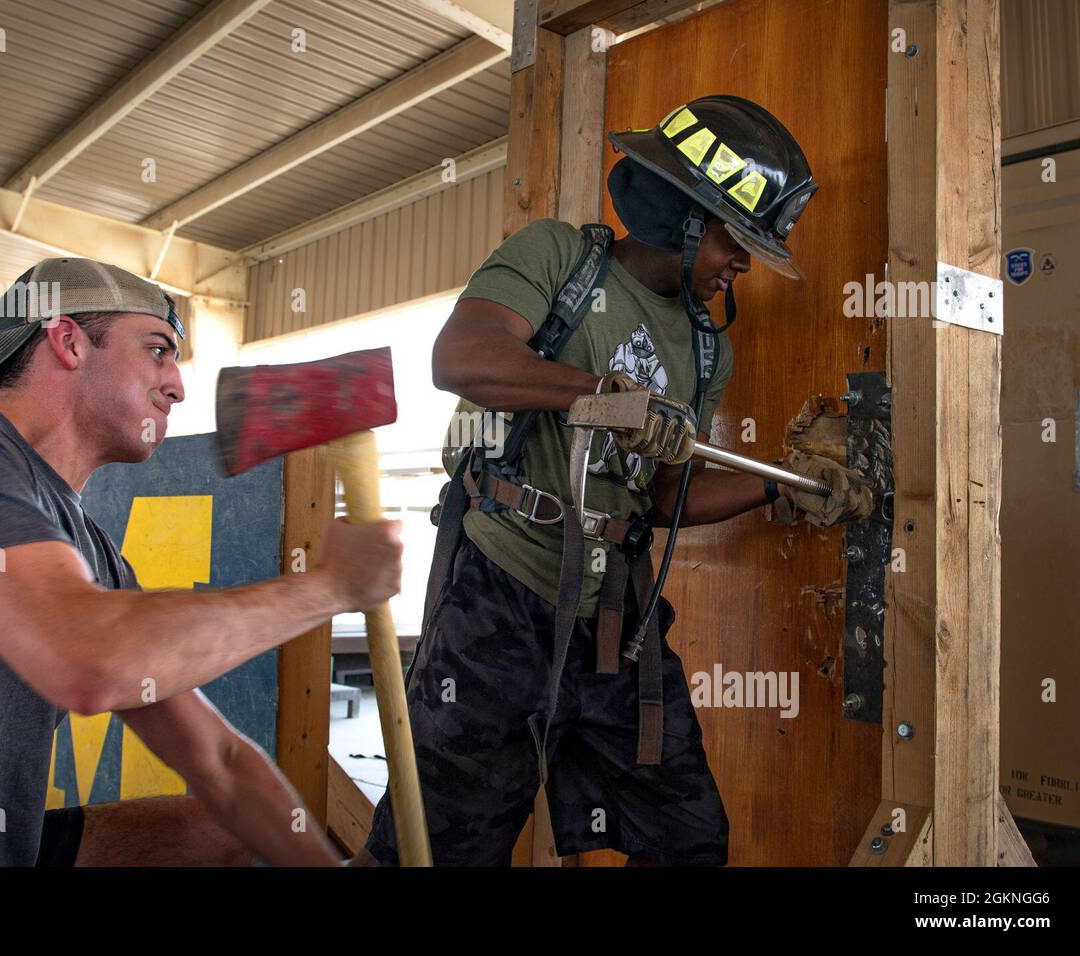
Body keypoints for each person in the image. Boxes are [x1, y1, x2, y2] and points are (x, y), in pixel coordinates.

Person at [357, 95, 873, 866]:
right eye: (736, 242)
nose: (741, 267)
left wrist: (784, 486)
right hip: (496, 604)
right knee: (441, 849)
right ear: (684, 217)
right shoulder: (558, 259)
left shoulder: (706, 352)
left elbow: (663, 496)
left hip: (614, 626)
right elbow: (461, 357)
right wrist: (599, 395)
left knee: (688, 840)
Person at [0, 257, 402, 866]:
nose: (178, 384)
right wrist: (329, 588)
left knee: (219, 832)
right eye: (159, 350)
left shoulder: (91, 550)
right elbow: (90, 659)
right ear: (67, 342)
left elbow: (220, 760)